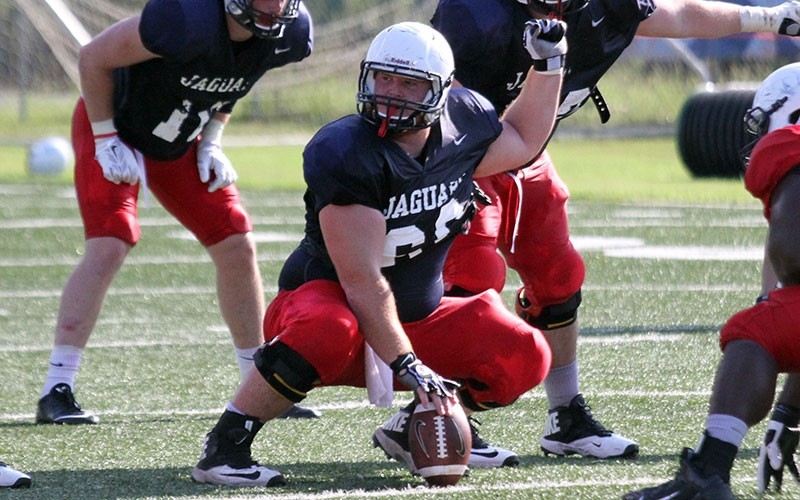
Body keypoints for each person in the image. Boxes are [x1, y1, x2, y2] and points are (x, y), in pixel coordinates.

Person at [189, 19, 566, 487]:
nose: (390, 93)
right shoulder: (346, 150)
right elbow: (361, 281)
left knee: (524, 351)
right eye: (383, 78)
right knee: (329, 327)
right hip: (326, 308)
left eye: (409, 83)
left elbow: (524, 141)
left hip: (416, 314)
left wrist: (549, 64)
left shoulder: (464, 122)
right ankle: (226, 445)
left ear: (442, 92)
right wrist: (409, 363)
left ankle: (413, 426)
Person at [428, 0, 800, 463]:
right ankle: (437, 412)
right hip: (467, 155)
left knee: (559, 274)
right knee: (471, 276)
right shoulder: (475, 13)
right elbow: (439, 107)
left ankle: (566, 417)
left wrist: (770, 17)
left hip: (526, 151)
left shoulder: (609, 5)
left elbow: (681, 16)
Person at [35, 0, 319, 425]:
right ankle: (57, 386)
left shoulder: (291, 32)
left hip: (179, 138)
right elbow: (93, 57)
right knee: (111, 240)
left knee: (236, 241)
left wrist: (214, 137)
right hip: (116, 124)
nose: (274, 6)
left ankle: (259, 382)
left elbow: (234, 79)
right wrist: (105, 136)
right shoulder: (185, 19)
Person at [623, 61, 800, 499]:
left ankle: (708, 472)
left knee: (753, 331)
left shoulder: (790, 149)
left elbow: (793, 253)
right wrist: (790, 411)